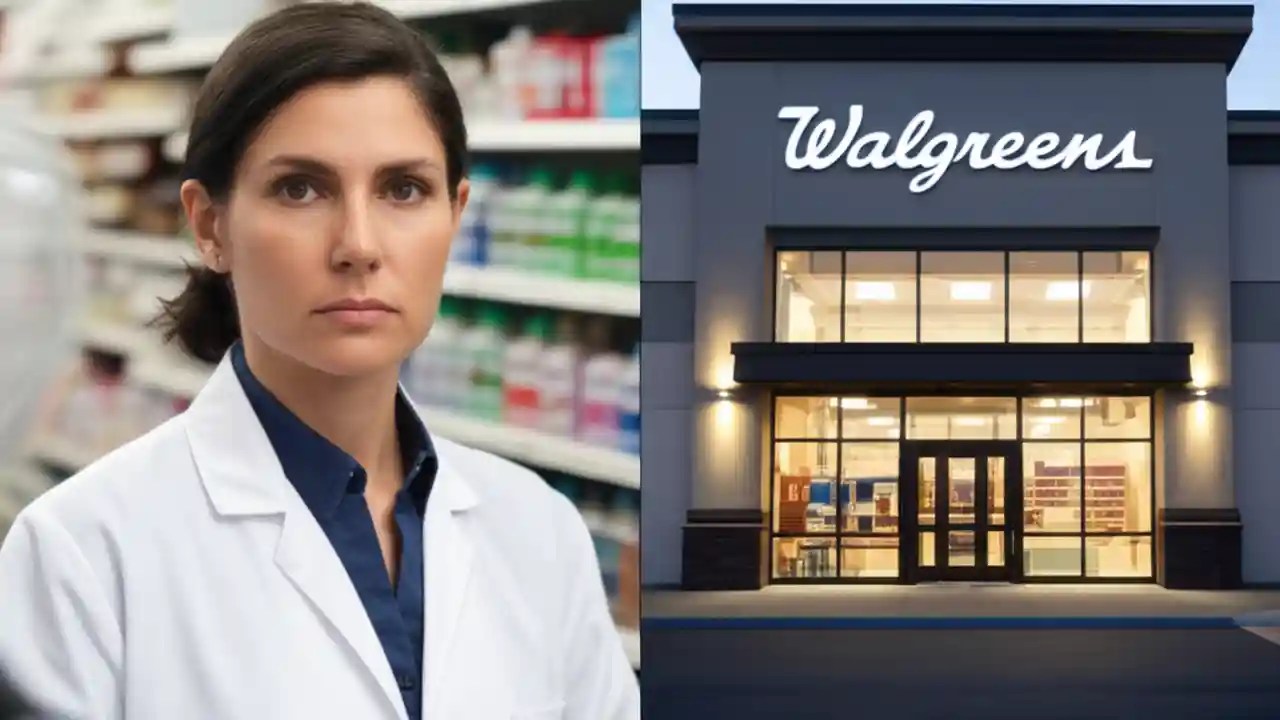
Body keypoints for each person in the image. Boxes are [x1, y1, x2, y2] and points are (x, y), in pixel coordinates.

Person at [0, 4, 639, 719]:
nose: (358, 244)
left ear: (454, 215)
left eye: (404, 189)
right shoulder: (83, 552)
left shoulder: (541, 532)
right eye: (300, 188)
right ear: (210, 225)